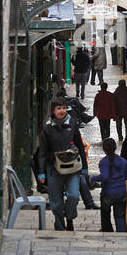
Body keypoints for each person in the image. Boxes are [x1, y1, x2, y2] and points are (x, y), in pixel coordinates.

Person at [36, 97, 84, 230]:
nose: (62, 111)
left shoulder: (72, 124)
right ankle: (60, 226)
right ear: (53, 110)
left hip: (72, 167)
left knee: (74, 196)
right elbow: (42, 152)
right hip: (54, 168)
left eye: (63, 108)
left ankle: (69, 216)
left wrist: (84, 168)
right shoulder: (47, 128)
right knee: (56, 202)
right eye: (59, 108)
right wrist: (41, 172)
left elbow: (79, 145)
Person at [98, 137, 127, 233]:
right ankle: (122, 232)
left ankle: (107, 230)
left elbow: (104, 176)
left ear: (104, 149)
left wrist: (93, 178)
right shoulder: (122, 161)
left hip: (108, 192)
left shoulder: (103, 162)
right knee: (120, 215)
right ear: (115, 148)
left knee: (105, 212)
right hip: (121, 193)